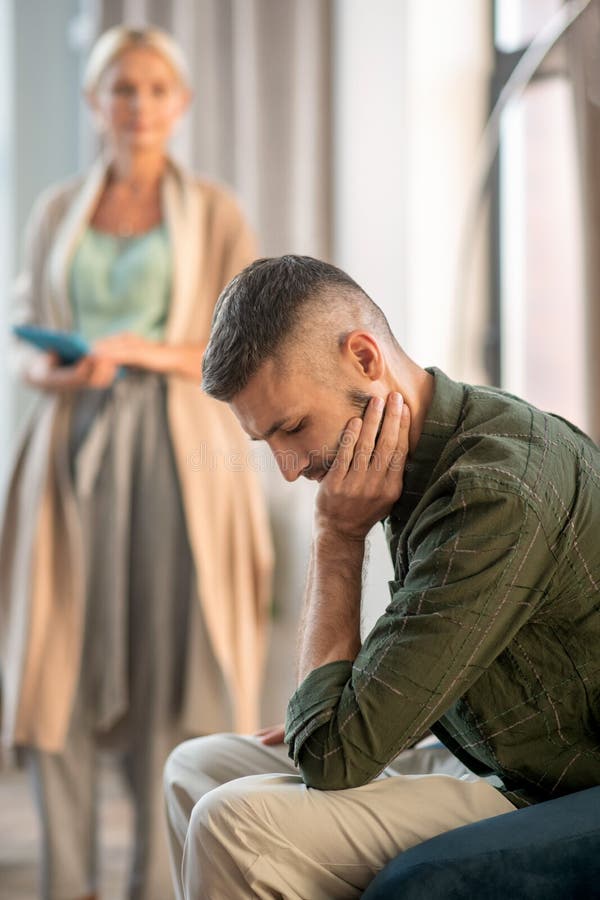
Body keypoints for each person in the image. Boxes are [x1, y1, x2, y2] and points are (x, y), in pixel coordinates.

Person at [164, 255, 600, 900]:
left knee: (236, 823)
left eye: (291, 428)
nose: (288, 468)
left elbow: (331, 759)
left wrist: (336, 537)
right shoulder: (428, 450)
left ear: (364, 359)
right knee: (197, 767)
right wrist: (371, 703)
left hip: (543, 782)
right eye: (267, 443)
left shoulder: (492, 489)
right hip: (481, 746)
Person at [0, 26, 273, 900]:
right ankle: (64, 884)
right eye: (123, 88)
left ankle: (163, 886)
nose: (140, 106)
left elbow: (251, 343)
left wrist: (142, 353)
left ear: (182, 104)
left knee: (180, 670)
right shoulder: (55, 212)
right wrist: (66, 366)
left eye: (158, 89)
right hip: (69, 450)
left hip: (182, 457)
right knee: (57, 669)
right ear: (95, 102)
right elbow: (22, 343)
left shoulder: (219, 213)